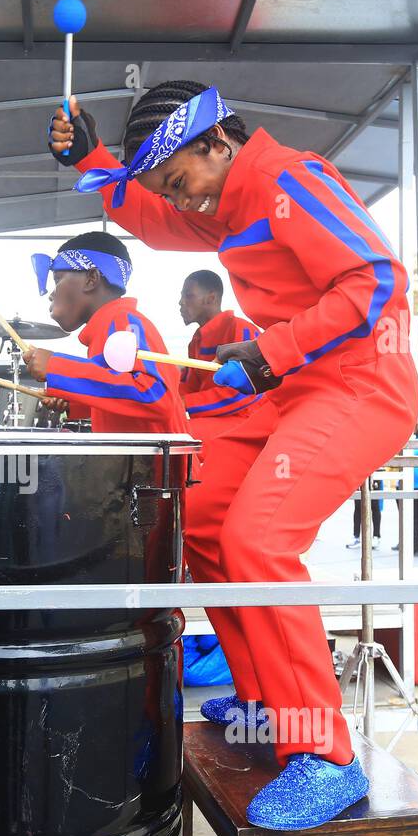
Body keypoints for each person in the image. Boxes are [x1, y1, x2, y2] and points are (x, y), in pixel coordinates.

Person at [50, 81, 418, 830]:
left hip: (360, 384)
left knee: (259, 536)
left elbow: (377, 279)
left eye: (179, 180)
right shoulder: (223, 205)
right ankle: (265, 703)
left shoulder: (291, 179)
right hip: (296, 389)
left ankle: (326, 755)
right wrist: (90, 159)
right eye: (170, 189)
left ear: (215, 143)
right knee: (208, 519)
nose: (179, 202)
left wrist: (272, 350)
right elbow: (151, 219)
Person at [174, 269, 281, 730]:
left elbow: (243, 399)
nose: (182, 302)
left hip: (240, 447)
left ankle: (282, 708)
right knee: (214, 575)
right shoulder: (196, 342)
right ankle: (253, 696)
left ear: (213, 297)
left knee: (245, 572)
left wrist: (173, 410)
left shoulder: (241, 333)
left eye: (189, 295)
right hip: (207, 447)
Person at [20, 231, 189, 435]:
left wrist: (58, 368)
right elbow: (122, 398)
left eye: (58, 279)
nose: (52, 293)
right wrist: (75, 398)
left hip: (163, 467)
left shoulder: (124, 322)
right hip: (139, 466)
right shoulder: (108, 327)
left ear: (91, 278)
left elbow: (157, 396)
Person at [348, 480, 383, 549]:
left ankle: (376, 536)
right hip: (360, 475)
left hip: (374, 475)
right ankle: (356, 537)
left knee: (375, 505)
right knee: (358, 506)